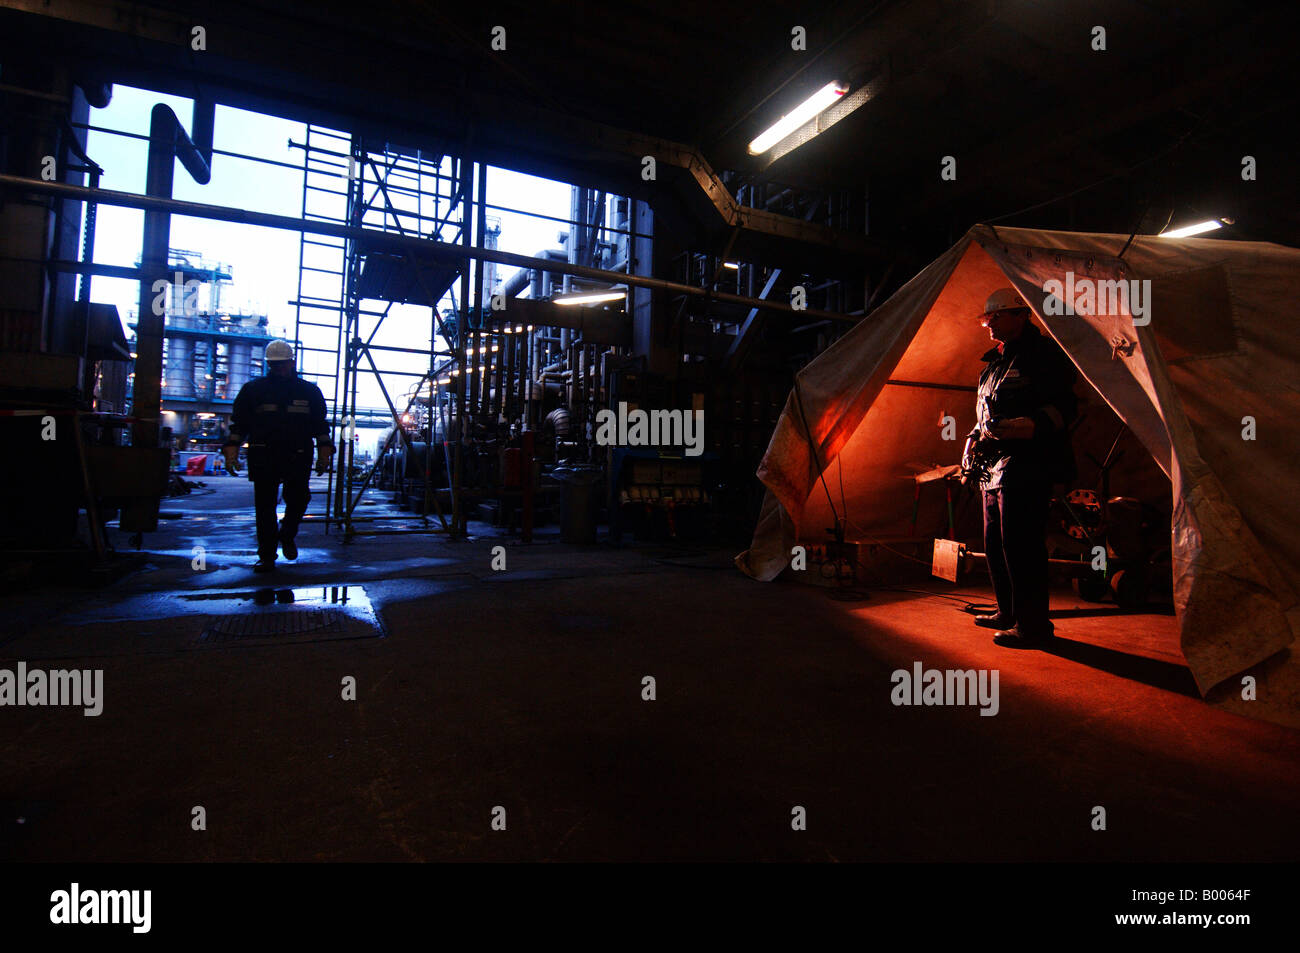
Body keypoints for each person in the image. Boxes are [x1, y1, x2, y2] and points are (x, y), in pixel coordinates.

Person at [961, 288, 1077, 647]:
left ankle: (1034, 626)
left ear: (1021, 315)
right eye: (987, 318)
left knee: (1021, 545)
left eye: (996, 316)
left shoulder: (1043, 357)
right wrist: (971, 442)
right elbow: (984, 417)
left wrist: (1026, 427)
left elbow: (1066, 408)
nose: (989, 323)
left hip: (1028, 465)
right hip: (993, 468)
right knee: (995, 542)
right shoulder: (992, 366)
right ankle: (1007, 611)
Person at [222, 340, 334, 572]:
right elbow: (240, 423)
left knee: (300, 499)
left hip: (298, 452)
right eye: (274, 365)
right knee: (264, 506)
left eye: (282, 364)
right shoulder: (254, 390)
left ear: (292, 362)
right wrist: (232, 446)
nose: (279, 369)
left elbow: (320, 425)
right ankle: (267, 555)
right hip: (264, 452)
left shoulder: (309, 391)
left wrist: (324, 451)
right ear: (268, 365)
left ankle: (287, 532)